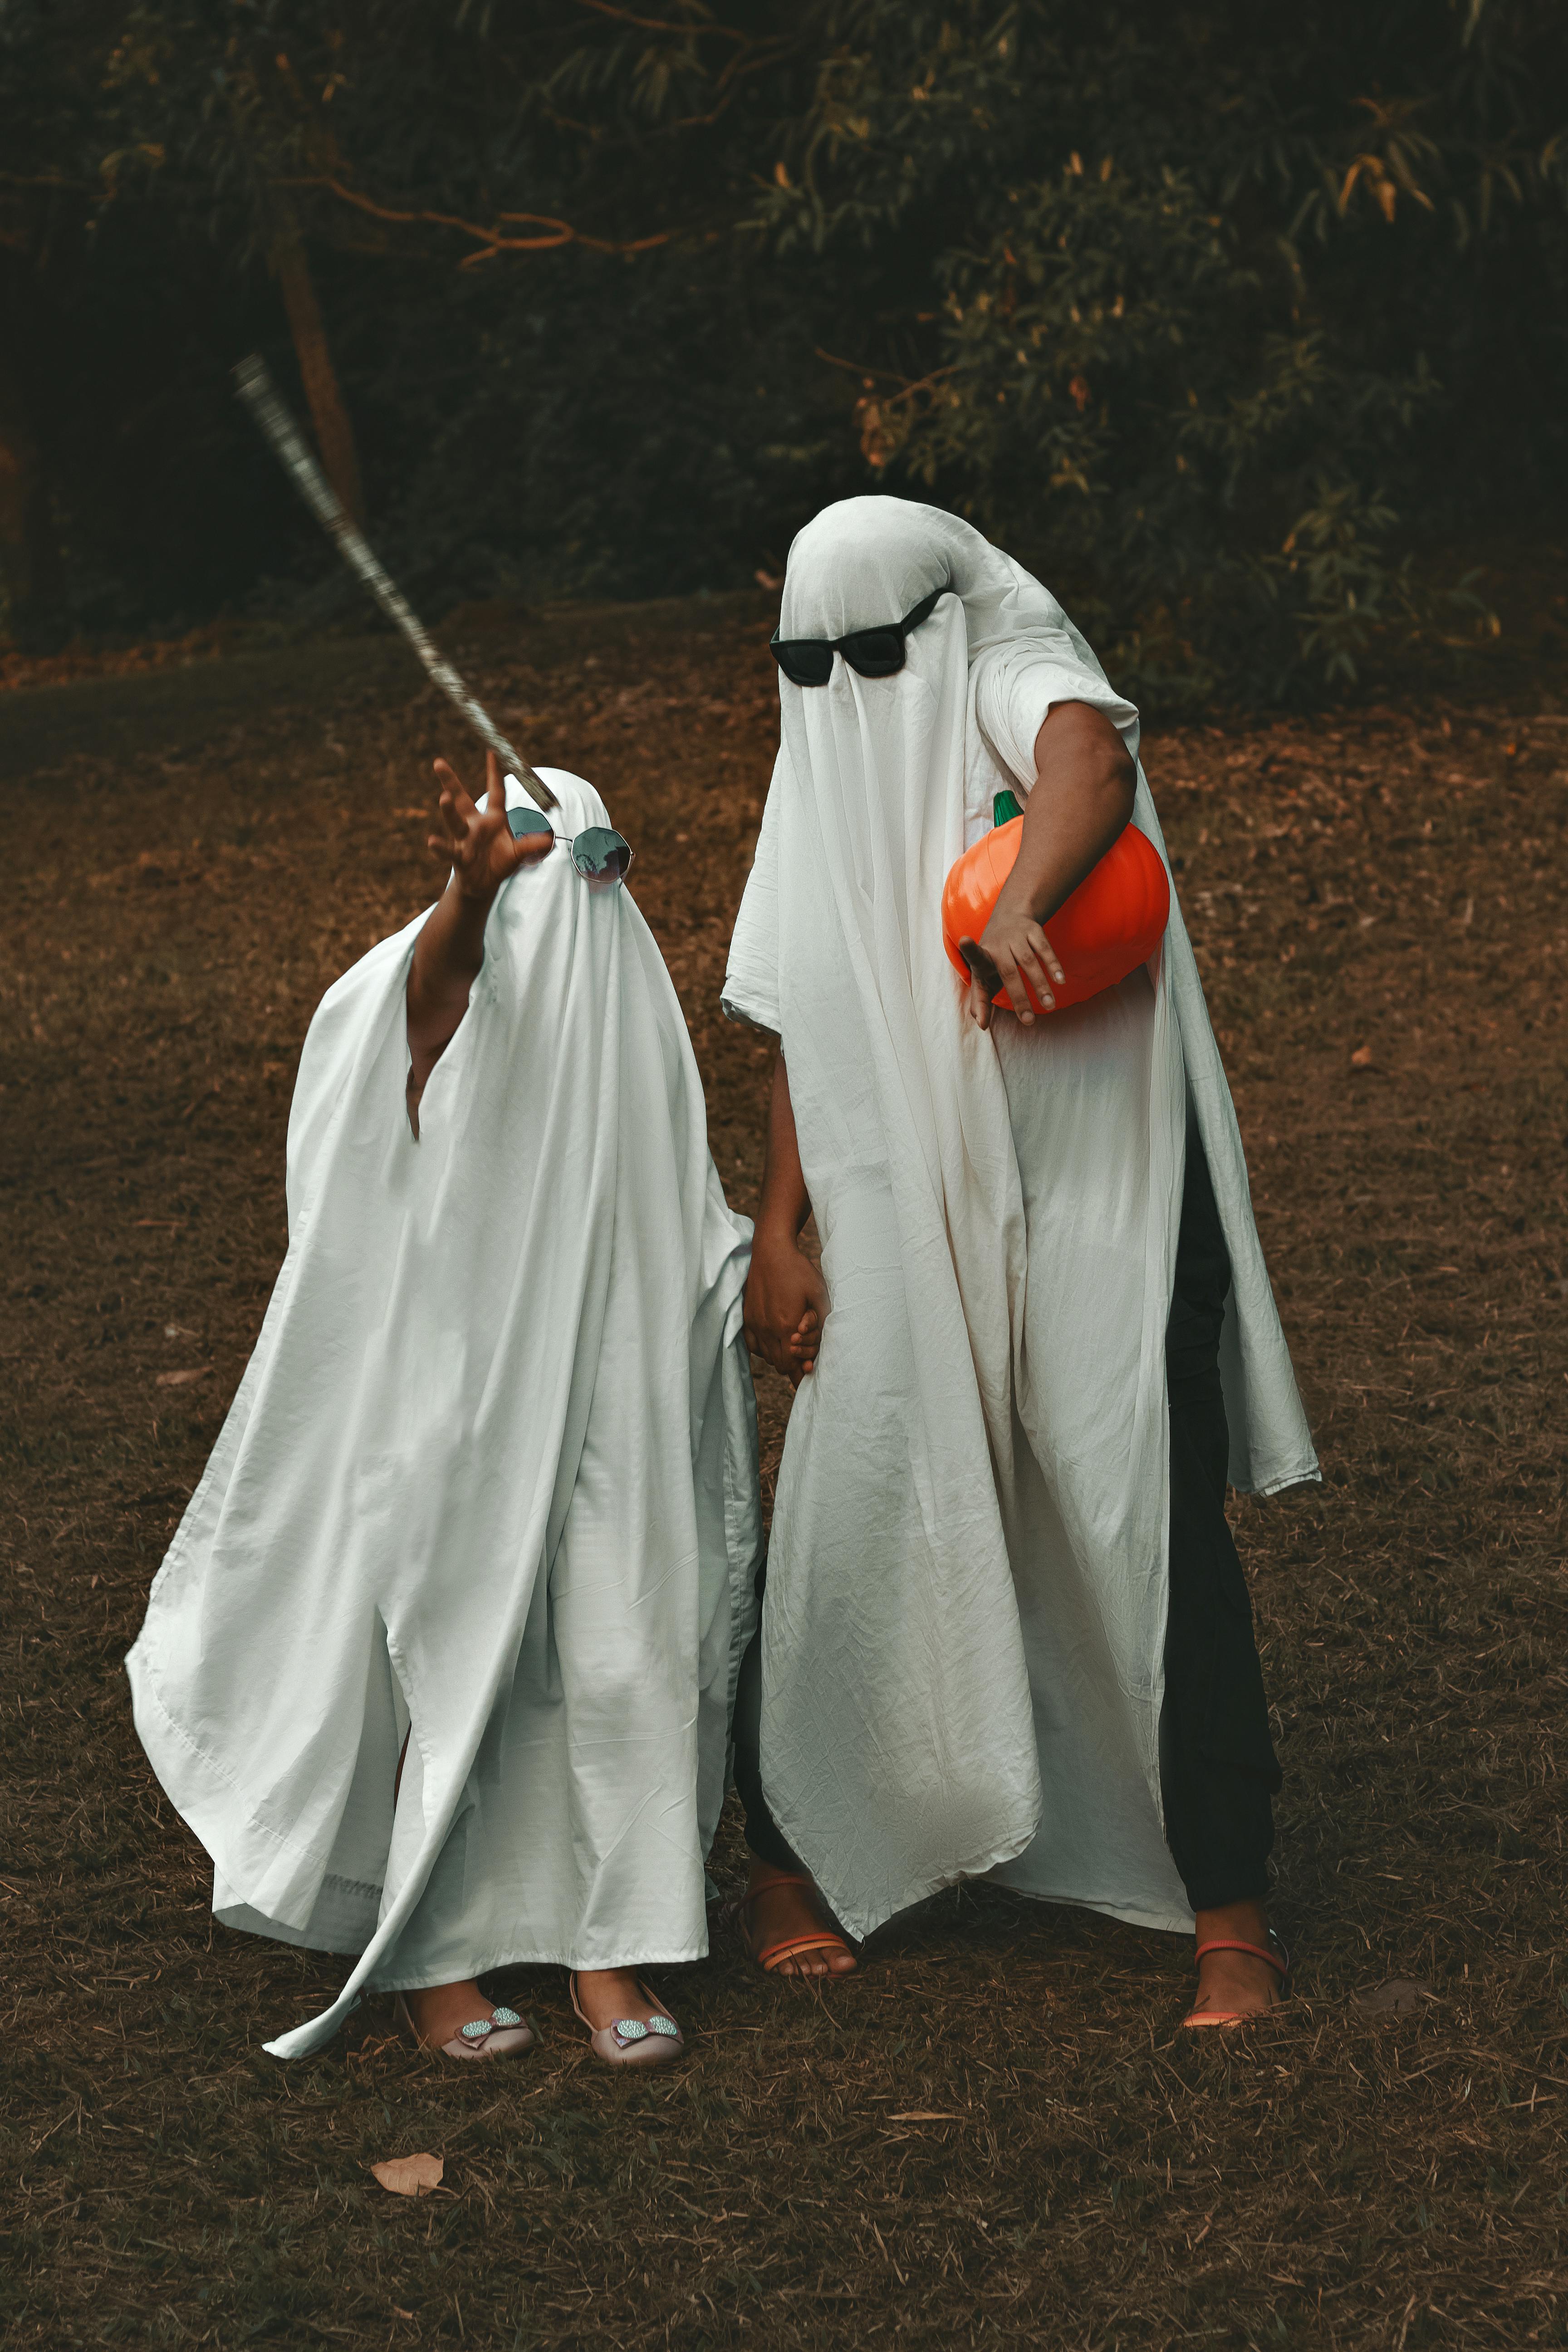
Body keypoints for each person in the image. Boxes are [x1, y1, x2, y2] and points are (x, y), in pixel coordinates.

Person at [723, 497, 1318, 2026]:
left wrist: (1021, 910)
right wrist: (784, 1219)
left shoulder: (1009, 644)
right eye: (807, 659)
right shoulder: (828, 720)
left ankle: (1229, 1912)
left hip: (1101, 1185)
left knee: (1142, 1499)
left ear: (933, 623)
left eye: (865, 653)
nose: (837, 684)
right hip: (898, 1183)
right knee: (864, 1481)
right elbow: (809, 981)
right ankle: (796, 1855)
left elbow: (1089, 761)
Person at [128, 750, 763, 2063]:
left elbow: (676, 1201)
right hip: (453, 1399)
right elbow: (424, 1020)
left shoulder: (628, 1023)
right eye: (539, 874)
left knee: (618, 1646)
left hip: (608, 1397)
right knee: (454, 1648)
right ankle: (438, 1955)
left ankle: (612, 1943)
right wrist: (473, 901)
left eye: (592, 872)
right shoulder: (425, 973)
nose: (566, 909)